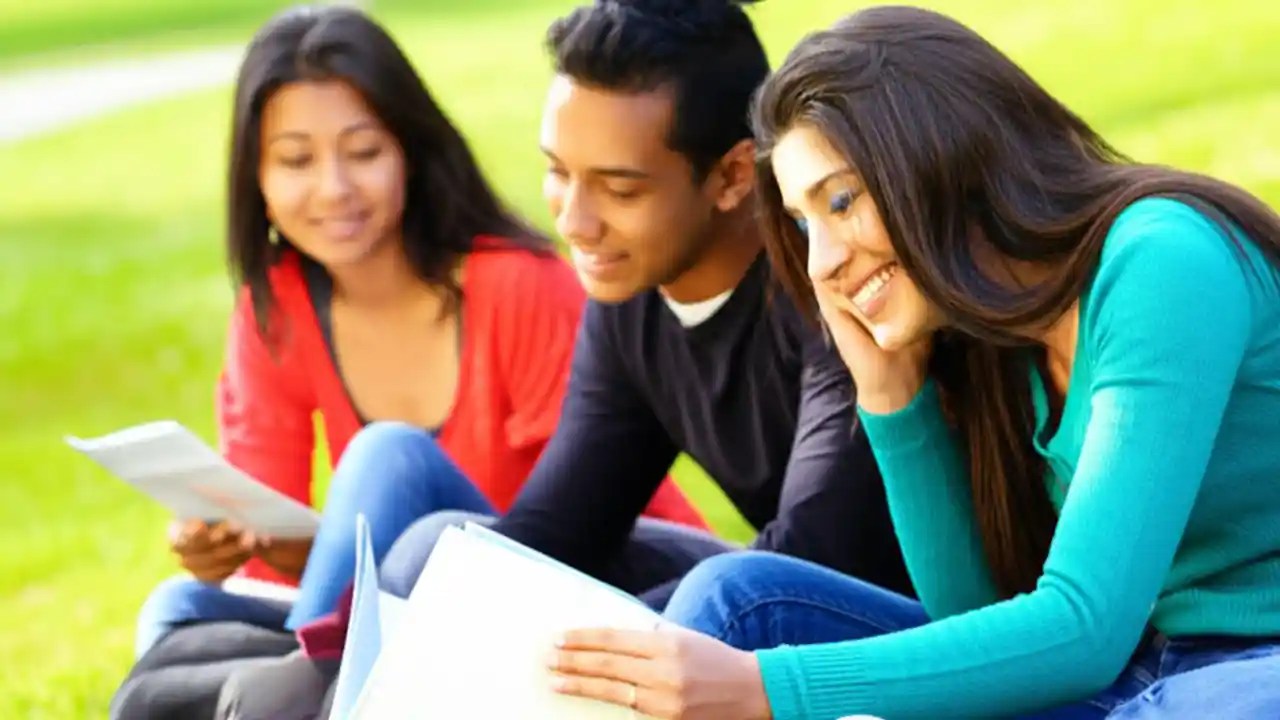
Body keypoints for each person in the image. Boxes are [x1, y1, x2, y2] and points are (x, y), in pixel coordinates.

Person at [542, 6, 1280, 719]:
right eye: (802, 223)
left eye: (841, 202)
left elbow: (1084, 627)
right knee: (740, 598)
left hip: (1248, 670)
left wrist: (769, 689)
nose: (821, 261)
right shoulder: (995, 332)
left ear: (936, 159)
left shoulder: (1161, 261)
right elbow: (975, 625)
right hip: (1141, 674)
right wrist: (893, 399)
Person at [213, 0, 913, 717]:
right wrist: (422, 627)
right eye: (558, 172)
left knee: (723, 596)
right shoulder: (630, 300)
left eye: (619, 188)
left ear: (734, 176)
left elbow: (807, 560)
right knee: (447, 550)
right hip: (770, 595)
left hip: (907, 642)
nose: (574, 222)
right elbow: (556, 532)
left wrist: (530, 647)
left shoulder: (829, 281)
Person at [120, 2, 705, 709]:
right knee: (178, 610)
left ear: (411, 153)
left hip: (595, 594)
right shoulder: (277, 307)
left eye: (363, 152)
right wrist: (232, 543)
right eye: (297, 160)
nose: (334, 188)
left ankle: (314, 694)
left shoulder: (518, 284)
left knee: (387, 455)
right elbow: (299, 550)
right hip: (401, 602)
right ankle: (321, 688)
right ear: (257, 178)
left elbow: (574, 521)